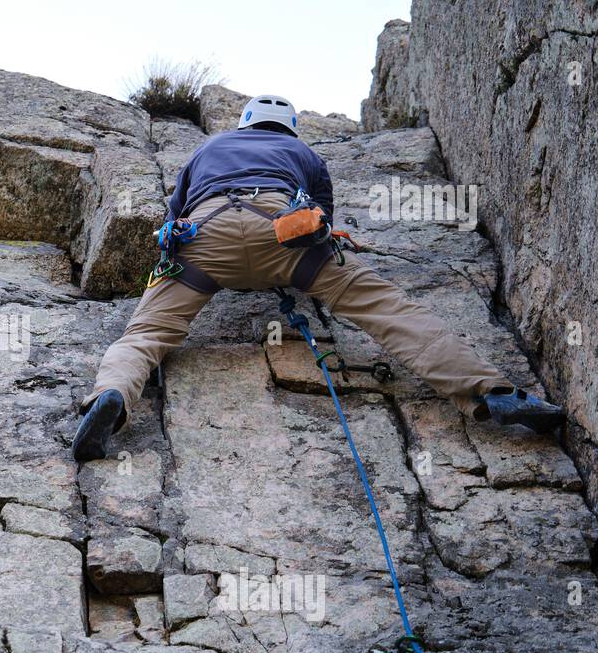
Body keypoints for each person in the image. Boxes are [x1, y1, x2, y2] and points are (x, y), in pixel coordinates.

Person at [73, 94, 565, 462]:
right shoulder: (304, 154)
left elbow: (176, 209)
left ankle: (113, 397)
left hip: (206, 237)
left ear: (246, 123)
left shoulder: (210, 147)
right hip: (285, 233)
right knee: (389, 311)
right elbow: (322, 217)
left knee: (146, 334)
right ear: (288, 128)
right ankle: (493, 392)